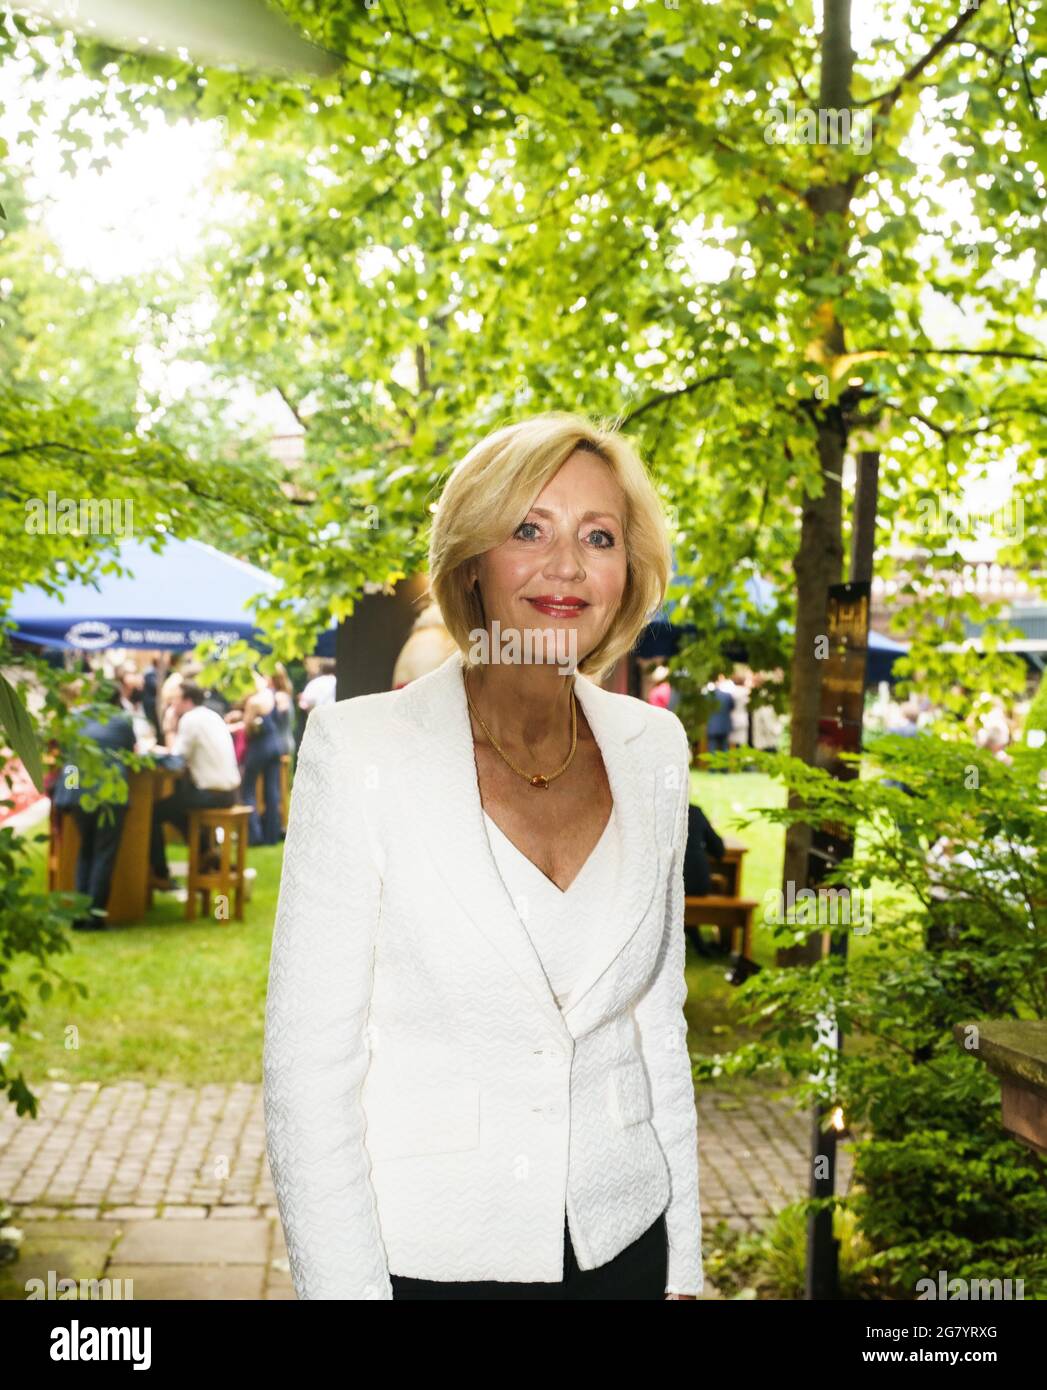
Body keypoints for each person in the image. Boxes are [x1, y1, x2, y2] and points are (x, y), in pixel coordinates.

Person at [264, 411, 703, 1301]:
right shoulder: (361, 751)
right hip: (428, 1256)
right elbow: (308, 1074)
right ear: (471, 561)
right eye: (527, 530)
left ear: (630, 569)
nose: (567, 566)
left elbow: (658, 1028)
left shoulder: (652, 747)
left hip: (623, 1245)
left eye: (599, 536)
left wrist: (684, 1269)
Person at [51, 682, 135, 931]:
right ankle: (95, 917)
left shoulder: (75, 717)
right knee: (104, 853)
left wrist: (70, 793)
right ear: (116, 698)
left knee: (85, 851)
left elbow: (67, 754)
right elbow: (130, 752)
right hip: (110, 791)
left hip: (78, 790)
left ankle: (79, 915)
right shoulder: (122, 720)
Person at [149, 681, 242, 889]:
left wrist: (167, 731)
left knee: (153, 813)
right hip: (230, 792)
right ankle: (206, 853)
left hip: (211, 793)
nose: (172, 704)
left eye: (175, 699)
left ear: (187, 701)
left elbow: (176, 759)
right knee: (178, 809)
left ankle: (160, 874)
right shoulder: (212, 716)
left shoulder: (190, 719)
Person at [235, 670, 292, 846]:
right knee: (272, 792)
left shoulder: (254, 702)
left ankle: (254, 835)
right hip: (276, 746)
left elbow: (247, 727)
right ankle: (272, 835)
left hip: (259, 747)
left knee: (248, 790)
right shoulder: (272, 696)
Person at [704, 673, 735, 769]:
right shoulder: (727, 696)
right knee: (724, 748)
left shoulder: (707, 696)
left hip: (712, 725)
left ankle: (712, 768)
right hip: (724, 725)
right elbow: (732, 707)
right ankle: (724, 768)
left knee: (712, 748)